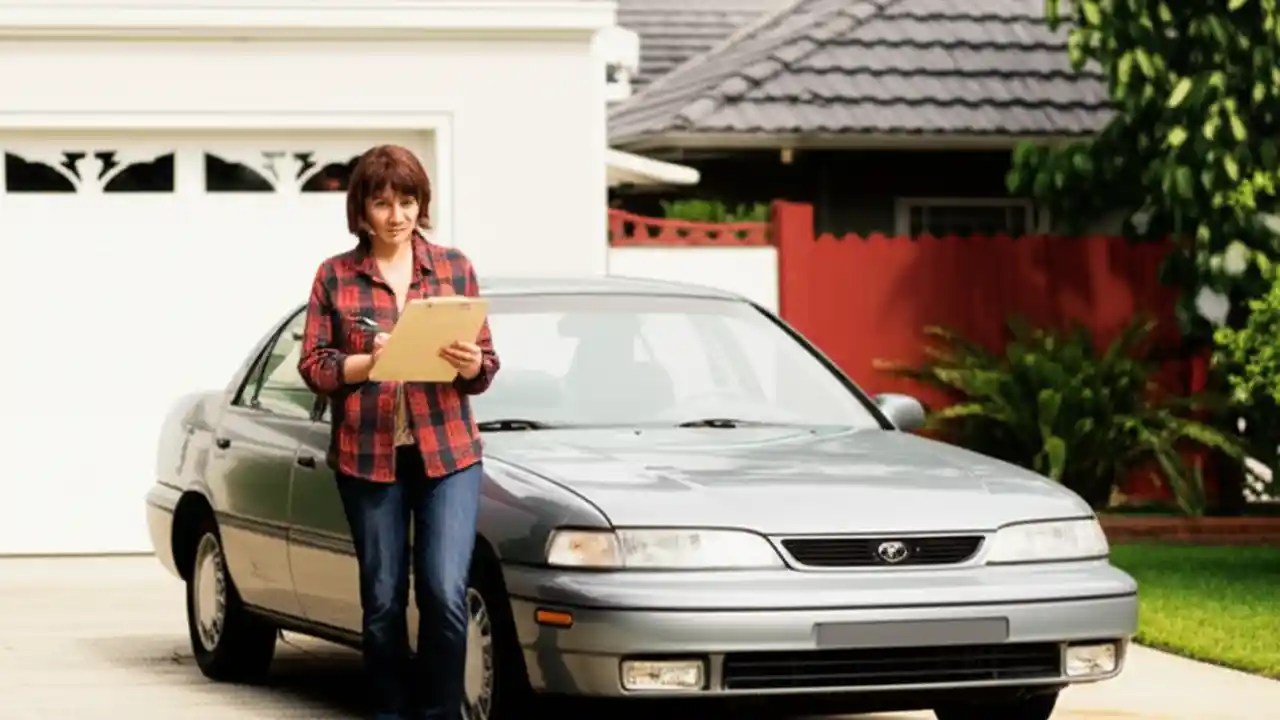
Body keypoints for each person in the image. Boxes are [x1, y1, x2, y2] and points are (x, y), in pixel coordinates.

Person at [296, 144, 499, 720]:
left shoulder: (454, 267)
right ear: (361, 209)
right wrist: (368, 363)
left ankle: (441, 713)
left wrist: (467, 364)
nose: (396, 215)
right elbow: (315, 367)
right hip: (368, 457)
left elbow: (485, 367)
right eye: (382, 203)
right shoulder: (334, 276)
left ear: (421, 204)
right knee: (383, 601)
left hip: (450, 455)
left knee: (443, 593)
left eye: (407, 201)